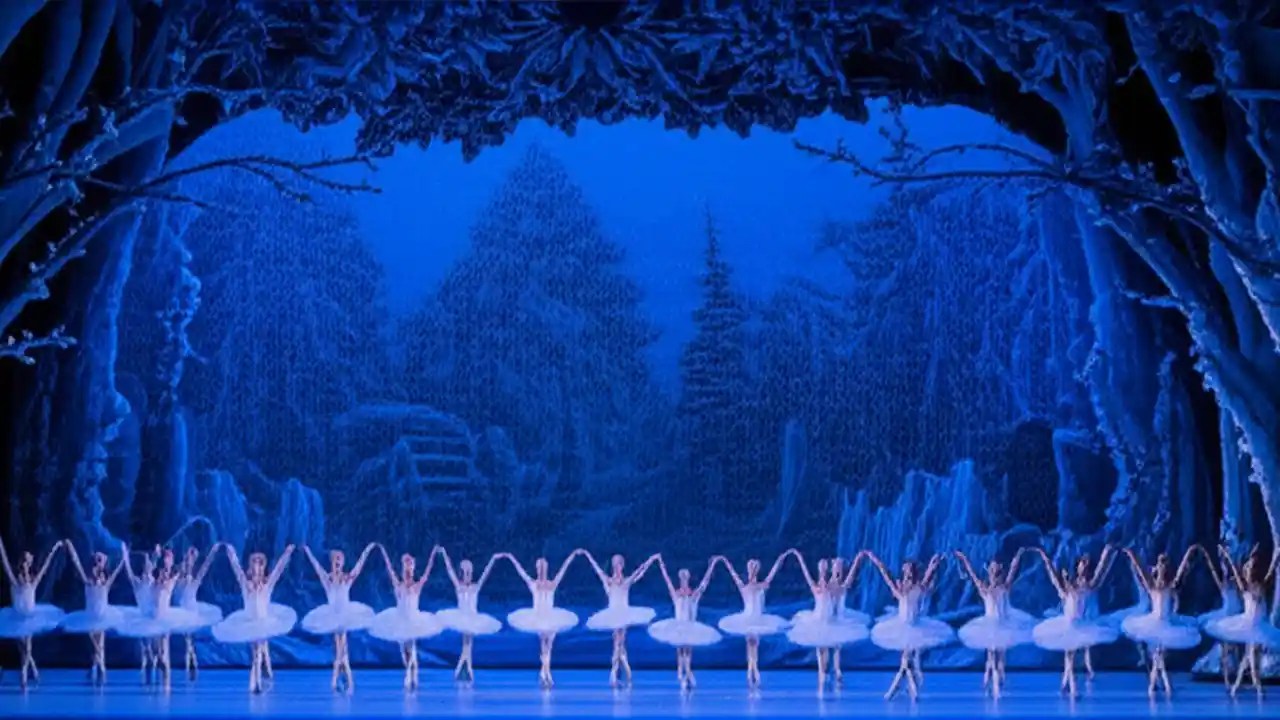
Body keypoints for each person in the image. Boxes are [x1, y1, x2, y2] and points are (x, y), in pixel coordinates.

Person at [1030, 547, 1119, 697]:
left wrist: (1106, 554)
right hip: (1067, 624)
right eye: (1082, 563)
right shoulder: (1067, 587)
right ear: (1077, 566)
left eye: (1086, 564)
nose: (1084, 566)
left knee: (1069, 656)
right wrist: (1046, 558)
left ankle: (1065, 685)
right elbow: (1053, 577)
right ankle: (1073, 689)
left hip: (1080, 624)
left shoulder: (1089, 585)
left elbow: (1101, 572)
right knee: (1069, 656)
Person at [864, 551, 954, 700]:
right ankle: (904, 691)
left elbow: (930, 573)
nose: (907, 572)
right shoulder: (899, 587)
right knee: (906, 662)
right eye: (905, 570)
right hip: (902, 626)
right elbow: (885, 574)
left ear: (913, 571)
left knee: (906, 662)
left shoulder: (920, 586)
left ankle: (897, 691)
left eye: (909, 570)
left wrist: (935, 562)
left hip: (917, 626)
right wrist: (874, 559)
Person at [212, 546, 297, 694]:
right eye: (254, 565)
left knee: (259, 652)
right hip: (249, 622)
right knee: (256, 653)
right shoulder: (247, 584)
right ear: (251, 568)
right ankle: (258, 679)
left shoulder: (267, 584)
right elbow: (237, 569)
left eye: (260, 564)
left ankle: (257, 682)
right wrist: (231, 554)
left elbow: (278, 570)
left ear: (262, 567)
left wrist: (286, 553)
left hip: (264, 621)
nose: (257, 568)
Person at [1118, 548, 1202, 697]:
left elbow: (1182, 571)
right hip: (1154, 623)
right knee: (1158, 656)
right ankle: (1163, 687)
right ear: (1157, 567)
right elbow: (1141, 571)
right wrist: (1132, 555)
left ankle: (1155, 686)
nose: (1162, 566)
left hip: (1167, 623)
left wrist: (1188, 553)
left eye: (1164, 564)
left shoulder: (1172, 585)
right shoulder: (1151, 585)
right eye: (1160, 563)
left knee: (1159, 656)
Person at [117, 546, 203, 688]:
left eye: (165, 573)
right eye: (162, 572)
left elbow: (178, 571)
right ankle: (152, 676)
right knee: (153, 653)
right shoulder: (150, 582)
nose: (164, 575)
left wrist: (189, 558)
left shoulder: (169, 583)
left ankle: (166, 683)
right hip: (150, 619)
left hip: (164, 619)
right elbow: (145, 570)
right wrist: (151, 556)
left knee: (162, 655)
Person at [953, 549, 1035, 698]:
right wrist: (964, 559)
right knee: (991, 657)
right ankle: (991, 685)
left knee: (1000, 656)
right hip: (989, 625)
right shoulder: (984, 588)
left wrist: (1017, 556)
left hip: (1003, 624)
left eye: (997, 569)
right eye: (992, 569)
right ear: (989, 571)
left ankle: (998, 682)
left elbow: (1013, 570)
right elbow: (972, 574)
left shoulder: (1005, 586)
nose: (994, 572)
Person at [300, 544, 379, 693]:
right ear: (331, 561)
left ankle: (340, 681)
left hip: (346, 613)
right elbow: (316, 566)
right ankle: (344, 681)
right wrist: (308, 551)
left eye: (340, 559)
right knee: (340, 650)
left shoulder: (346, 578)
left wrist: (366, 550)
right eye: (335, 559)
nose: (337, 561)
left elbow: (358, 567)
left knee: (342, 650)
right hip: (332, 615)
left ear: (342, 562)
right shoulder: (327, 578)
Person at [787, 552, 868, 692]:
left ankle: (835, 671)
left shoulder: (837, 588)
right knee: (823, 646)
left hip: (831, 618)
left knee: (834, 644)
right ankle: (823, 672)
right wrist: (800, 557)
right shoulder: (818, 587)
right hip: (819, 619)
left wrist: (856, 560)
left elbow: (846, 579)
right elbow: (807, 574)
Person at [500, 551, 583, 688]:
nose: (542, 569)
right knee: (544, 647)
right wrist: (511, 557)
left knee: (548, 647)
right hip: (538, 617)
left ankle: (544, 673)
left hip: (551, 617)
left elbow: (563, 569)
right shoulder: (533, 583)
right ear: (537, 569)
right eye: (540, 567)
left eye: (544, 567)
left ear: (547, 568)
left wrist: (572, 556)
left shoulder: (552, 583)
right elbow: (520, 571)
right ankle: (546, 674)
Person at [1206, 545, 1280, 697]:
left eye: (1253, 567)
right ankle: (1258, 688)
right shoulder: (1244, 586)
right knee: (1251, 656)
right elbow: (1234, 570)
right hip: (1247, 624)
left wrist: (1277, 554)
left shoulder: (1262, 585)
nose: (1251, 570)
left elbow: (1272, 569)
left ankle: (1236, 688)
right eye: (1249, 568)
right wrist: (1226, 555)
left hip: (1259, 626)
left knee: (1249, 657)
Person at [580, 550, 661, 687]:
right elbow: (597, 569)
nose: (617, 566)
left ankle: (620, 673)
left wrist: (650, 560)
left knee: (620, 644)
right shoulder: (609, 581)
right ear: (613, 566)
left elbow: (640, 570)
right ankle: (619, 673)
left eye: (619, 564)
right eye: (615, 564)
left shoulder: (626, 581)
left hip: (623, 613)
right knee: (618, 643)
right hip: (613, 614)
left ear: (622, 566)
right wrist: (588, 555)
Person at [713, 553, 793, 690]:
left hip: (759, 618)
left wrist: (780, 559)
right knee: (751, 644)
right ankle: (752, 671)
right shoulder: (744, 587)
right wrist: (725, 561)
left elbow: (773, 573)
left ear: (756, 570)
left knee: (754, 644)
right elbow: (733, 575)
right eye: (750, 568)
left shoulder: (763, 585)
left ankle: (753, 671)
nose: (752, 570)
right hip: (747, 618)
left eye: (754, 568)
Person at [369, 548, 442, 691]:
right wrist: (384, 553)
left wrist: (433, 554)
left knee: (412, 648)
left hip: (413, 620)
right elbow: (389, 569)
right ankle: (412, 672)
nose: (408, 570)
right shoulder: (398, 584)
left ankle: (410, 673)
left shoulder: (416, 586)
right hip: (399, 620)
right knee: (404, 652)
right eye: (406, 566)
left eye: (410, 566)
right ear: (403, 568)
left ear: (413, 569)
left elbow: (427, 572)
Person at [648, 557, 722, 690]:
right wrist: (661, 565)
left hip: (690, 625)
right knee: (681, 650)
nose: (683, 579)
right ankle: (684, 674)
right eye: (682, 577)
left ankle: (687, 675)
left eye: (685, 577)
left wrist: (712, 566)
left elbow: (705, 583)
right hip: (678, 625)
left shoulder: (693, 594)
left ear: (687, 578)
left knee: (687, 651)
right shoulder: (676, 594)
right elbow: (667, 581)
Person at [0, 538, 64, 689]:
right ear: (21, 563)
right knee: (22, 648)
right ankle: (33, 670)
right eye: (23, 560)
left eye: (27, 560)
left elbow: (46, 565)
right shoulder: (14, 580)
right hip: (15, 617)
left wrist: (54, 548)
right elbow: (4, 562)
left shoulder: (33, 580)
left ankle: (23, 678)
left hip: (30, 617)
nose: (25, 563)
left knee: (26, 648)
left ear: (29, 563)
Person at [60, 541, 127, 685]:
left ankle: (97, 668)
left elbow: (116, 571)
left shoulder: (106, 582)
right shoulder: (87, 581)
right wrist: (71, 549)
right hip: (90, 615)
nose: (98, 563)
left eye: (100, 561)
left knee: (99, 643)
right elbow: (77, 564)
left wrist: (124, 556)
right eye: (96, 560)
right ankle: (99, 666)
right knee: (94, 640)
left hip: (103, 615)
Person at [436, 548, 503, 686]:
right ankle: (466, 669)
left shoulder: (475, 586)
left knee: (468, 644)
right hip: (461, 616)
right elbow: (449, 571)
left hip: (472, 617)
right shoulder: (458, 586)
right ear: (462, 573)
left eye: (469, 572)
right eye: (465, 572)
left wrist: (493, 559)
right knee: (466, 644)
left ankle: (463, 668)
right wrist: (444, 554)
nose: (467, 574)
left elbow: (485, 573)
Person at [171, 545, 225, 681]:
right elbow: (177, 568)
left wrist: (212, 552)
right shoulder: (176, 578)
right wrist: (188, 557)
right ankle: (191, 659)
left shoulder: (194, 580)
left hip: (190, 611)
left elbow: (205, 567)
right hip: (179, 610)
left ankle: (191, 662)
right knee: (187, 639)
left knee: (188, 639)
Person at [1196, 544, 1245, 688]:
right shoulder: (1223, 585)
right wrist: (1209, 557)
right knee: (1225, 648)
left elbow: (1236, 572)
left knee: (1237, 648)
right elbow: (1214, 572)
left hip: (1237, 617)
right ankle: (1227, 680)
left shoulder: (1238, 584)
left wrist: (1229, 560)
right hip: (1226, 617)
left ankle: (1236, 676)